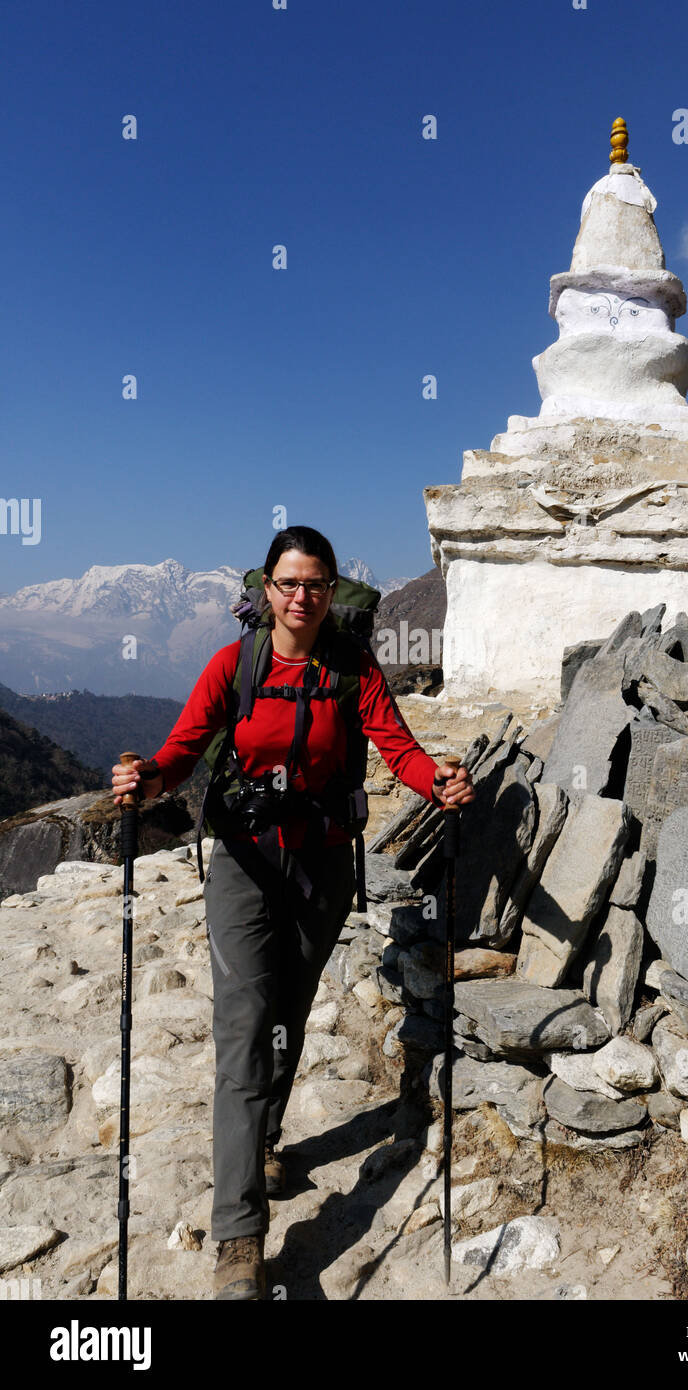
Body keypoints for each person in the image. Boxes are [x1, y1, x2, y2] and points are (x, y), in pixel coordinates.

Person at [111, 525, 474, 1300]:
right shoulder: (232, 667)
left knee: (289, 1013)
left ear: (331, 589)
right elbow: (180, 753)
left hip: (320, 864)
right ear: (265, 590)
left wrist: (434, 784)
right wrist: (144, 782)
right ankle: (238, 1239)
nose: (301, 596)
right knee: (244, 1029)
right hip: (243, 864)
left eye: (314, 584)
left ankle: (265, 1141)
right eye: (288, 583)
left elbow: (397, 746)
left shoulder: (352, 670)